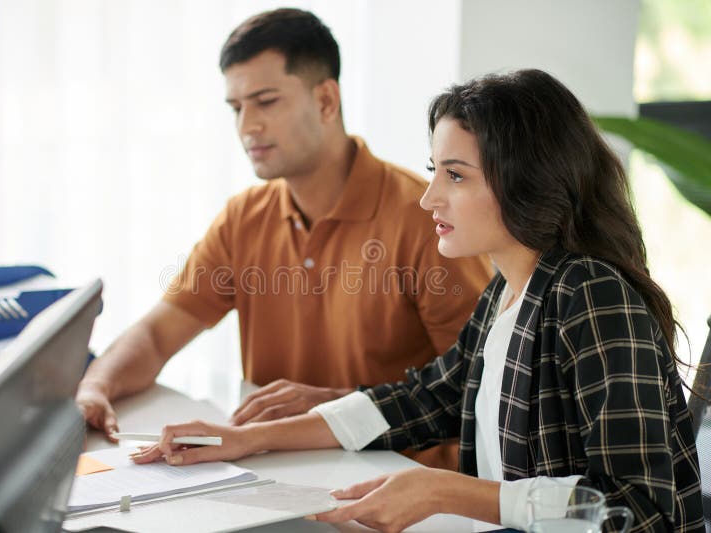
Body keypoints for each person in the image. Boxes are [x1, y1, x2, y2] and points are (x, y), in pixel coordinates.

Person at [130, 69, 705, 533]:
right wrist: (248, 439)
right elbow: (423, 399)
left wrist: (444, 490)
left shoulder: (593, 295)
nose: (429, 198)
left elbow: (640, 511)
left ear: (525, 179)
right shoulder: (509, 292)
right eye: (435, 171)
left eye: (455, 176)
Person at [76, 8, 493, 469]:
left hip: (398, 479)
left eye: (266, 101)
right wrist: (95, 386)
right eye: (237, 108)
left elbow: (478, 389)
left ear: (326, 101)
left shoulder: (429, 218)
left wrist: (335, 403)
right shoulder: (243, 218)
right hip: (269, 468)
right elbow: (158, 334)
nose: (246, 126)